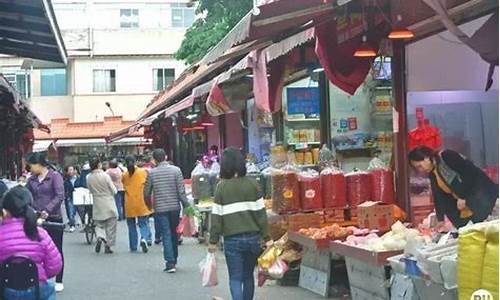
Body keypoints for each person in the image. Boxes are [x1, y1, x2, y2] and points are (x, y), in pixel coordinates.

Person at [208, 147, 269, 300]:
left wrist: (213, 241)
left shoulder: (221, 187)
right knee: (248, 276)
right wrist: (267, 237)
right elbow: (261, 214)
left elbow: (216, 218)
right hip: (253, 239)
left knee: (235, 278)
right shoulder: (253, 184)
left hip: (232, 240)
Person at [409, 146, 499, 229]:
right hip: (465, 207)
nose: (420, 170)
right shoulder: (433, 173)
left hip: (483, 196)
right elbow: (439, 196)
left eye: (419, 166)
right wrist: (440, 219)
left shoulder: (447, 156)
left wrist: (463, 196)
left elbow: (470, 173)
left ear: (427, 157)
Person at [0, 186, 63, 300]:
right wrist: (41, 275)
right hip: (36, 289)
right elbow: (55, 266)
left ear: (4, 211)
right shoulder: (39, 233)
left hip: (6, 290)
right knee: (49, 289)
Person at [144, 149, 190, 273]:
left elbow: (146, 192)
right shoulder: (176, 170)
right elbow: (181, 191)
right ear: (165, 156)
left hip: (160, 208)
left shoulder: (152, 173)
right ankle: (174, 258)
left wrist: (148, 205)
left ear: (154, 159)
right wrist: (186, 205)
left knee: (166, 234)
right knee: (174, 233)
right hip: (175, 207)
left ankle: (170, 263)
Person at [25, 152, 65, 293]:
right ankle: (42, 278)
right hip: (36, 219)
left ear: (39, 164)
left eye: (31, 165)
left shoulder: (55, 176)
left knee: (56, 249)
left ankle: (59, 279)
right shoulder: (31, 180)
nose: (30, 168)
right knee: (37, 249)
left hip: (53, 218)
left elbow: (59, 196)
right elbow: (27, 196)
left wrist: (47, 211)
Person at [86, 157, 118, 254]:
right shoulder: (105, 176)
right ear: (99, 164)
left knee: (99, 224)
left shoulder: (88, 177)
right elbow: (114, 191)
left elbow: (90, 190)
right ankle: (108, 245)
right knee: (111, 225)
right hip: (108, 202)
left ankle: (100, 236)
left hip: (97, 202)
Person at [122, 155, 153, 253]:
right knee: (143, 223)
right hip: (141, 202)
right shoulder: (143, 172)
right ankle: (144, 238)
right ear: (135, 162)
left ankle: (133, 246)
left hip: (129, 203)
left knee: (131, 225)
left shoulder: (124, 175)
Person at [63, 166, 78, 232]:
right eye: (69, 170)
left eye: (72, 169)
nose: (70, 171)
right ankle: (72, 225)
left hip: (78, 197)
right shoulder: (66, 180)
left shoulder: (78, 179)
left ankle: (84, 223)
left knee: (78, 212)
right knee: (70, 211)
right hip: (69, 197)